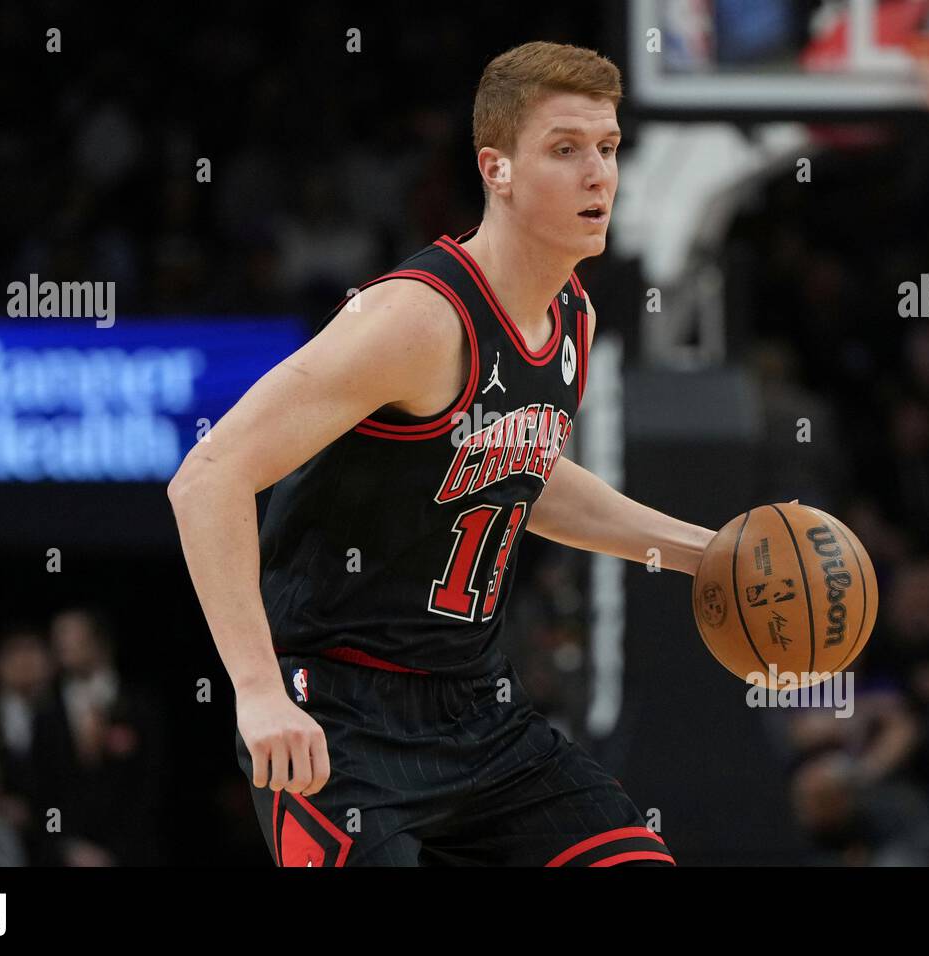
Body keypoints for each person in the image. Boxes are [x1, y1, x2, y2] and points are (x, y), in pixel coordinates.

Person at [169, 41, 716, 866]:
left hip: (476, 709)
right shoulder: (415, 321)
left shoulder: (574, 315)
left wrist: (702, 552)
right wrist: (257, 692)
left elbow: (523, 473)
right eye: (566, 150)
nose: (598, 174)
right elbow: (208, 477)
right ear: (497, 169)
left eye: (607, 148)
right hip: (336, 714)